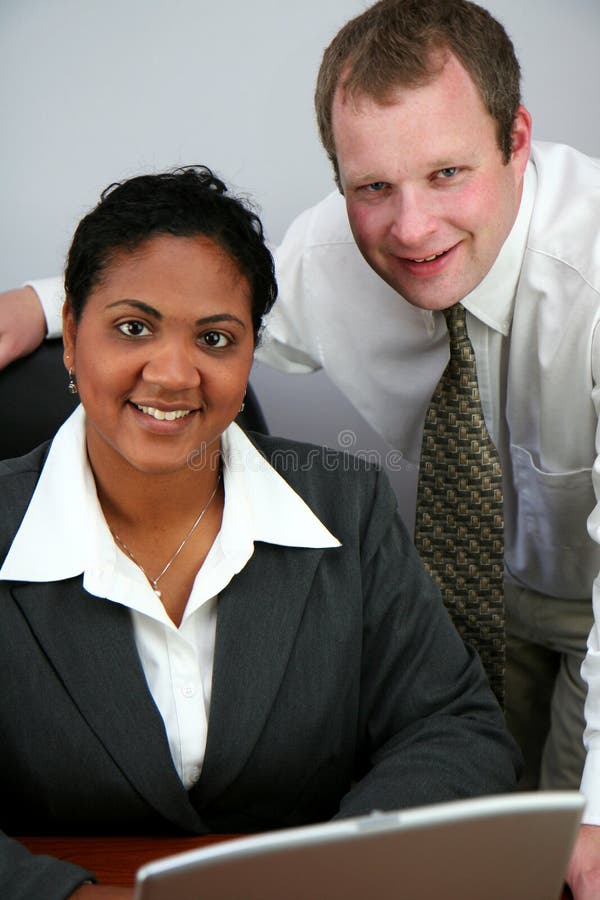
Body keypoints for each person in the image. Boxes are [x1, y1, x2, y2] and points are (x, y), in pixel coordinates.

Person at [0, 0, 597, 892]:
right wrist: (47, 306)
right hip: (468, 621)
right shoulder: (329, 257)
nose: (412, 228)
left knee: (560, 864)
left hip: (587, 618)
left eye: (446, 173)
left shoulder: (346, 507)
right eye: (372, 187)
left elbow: (447, 734)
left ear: (517, 138)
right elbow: (209, 309)